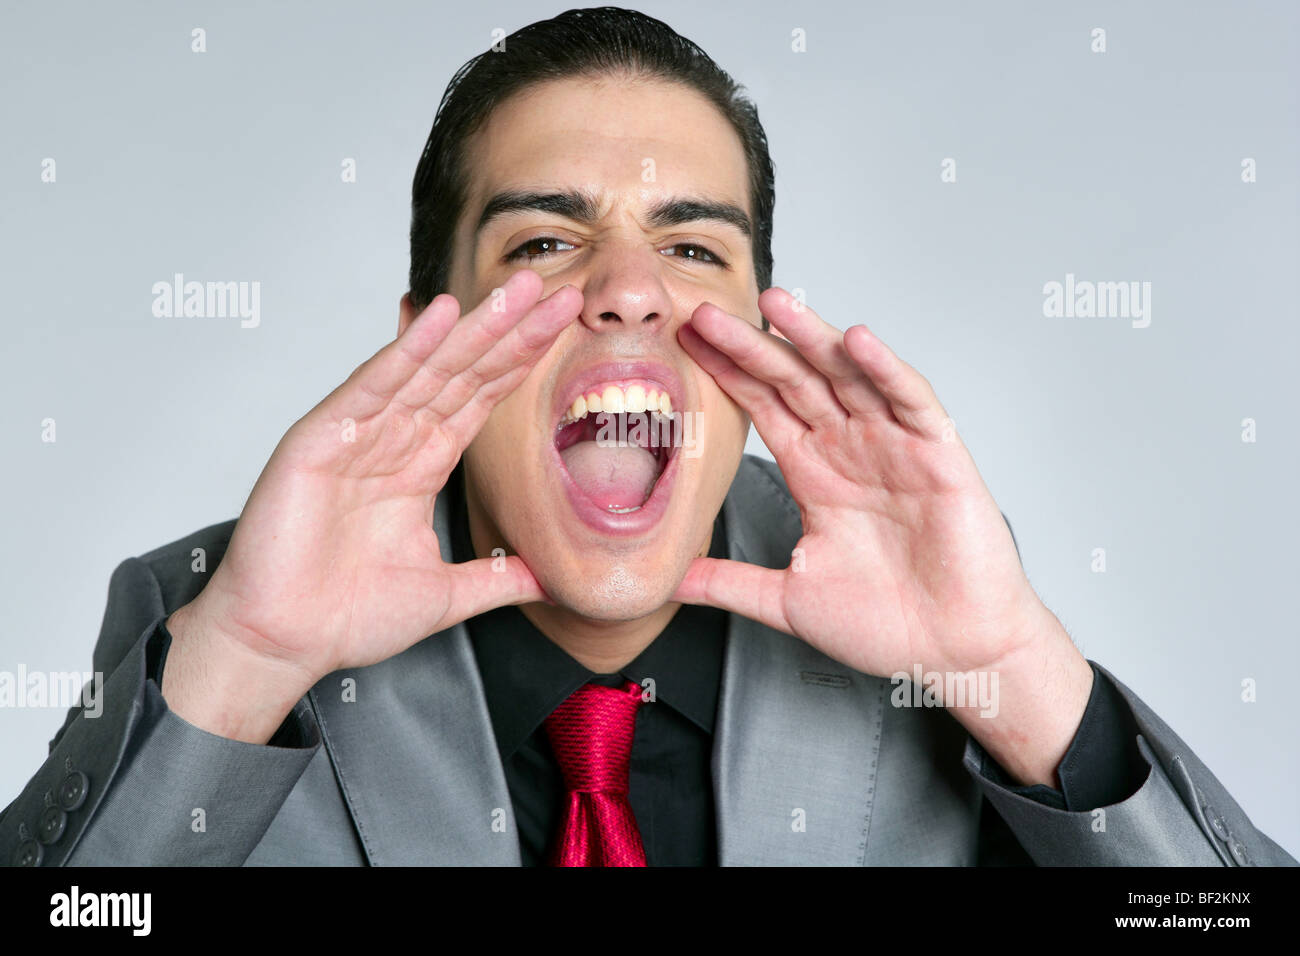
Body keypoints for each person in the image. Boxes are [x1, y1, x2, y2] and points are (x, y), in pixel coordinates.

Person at [3, 6, 1293, 867]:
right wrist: (242, 660)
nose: (628, 289)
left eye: (691, 247)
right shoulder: (214, 614)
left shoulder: (942, 634)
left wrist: (1018, 676)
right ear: (426, 337)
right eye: (547, 243)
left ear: (758, 338)